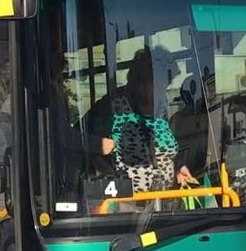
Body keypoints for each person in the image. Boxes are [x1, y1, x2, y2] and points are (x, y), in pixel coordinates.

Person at [83, 47, 196, 194]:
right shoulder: (112, 106)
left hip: (164, 201)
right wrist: (109, 173)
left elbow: (164, 150)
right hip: (126, 206)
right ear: (141, 79)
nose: (165, 87)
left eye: (168, 81)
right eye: (162, 80)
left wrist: (178, 169)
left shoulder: (162, 106)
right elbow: (82, 140)